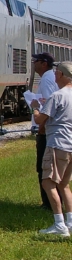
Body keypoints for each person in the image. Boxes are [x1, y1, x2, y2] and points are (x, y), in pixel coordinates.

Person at [35, 60, 72, 237]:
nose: (55, 76)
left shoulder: (58, 95)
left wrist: (35, 108)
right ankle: (71, 222)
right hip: (71, 145)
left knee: (48, 182)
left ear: (63, 75)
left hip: (57, 144)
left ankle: (59, 224)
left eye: (57, 73)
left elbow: (40, 119)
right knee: (64, 184)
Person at [31, 52, 59, 208]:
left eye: (35, 61)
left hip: (45, 131)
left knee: (44, 167)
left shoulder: (47, 79)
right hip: (48, 130)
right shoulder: (49, 77)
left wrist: (41, 128)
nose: (33, 63)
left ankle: (48, 204)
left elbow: (47, 108)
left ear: (43, 63)